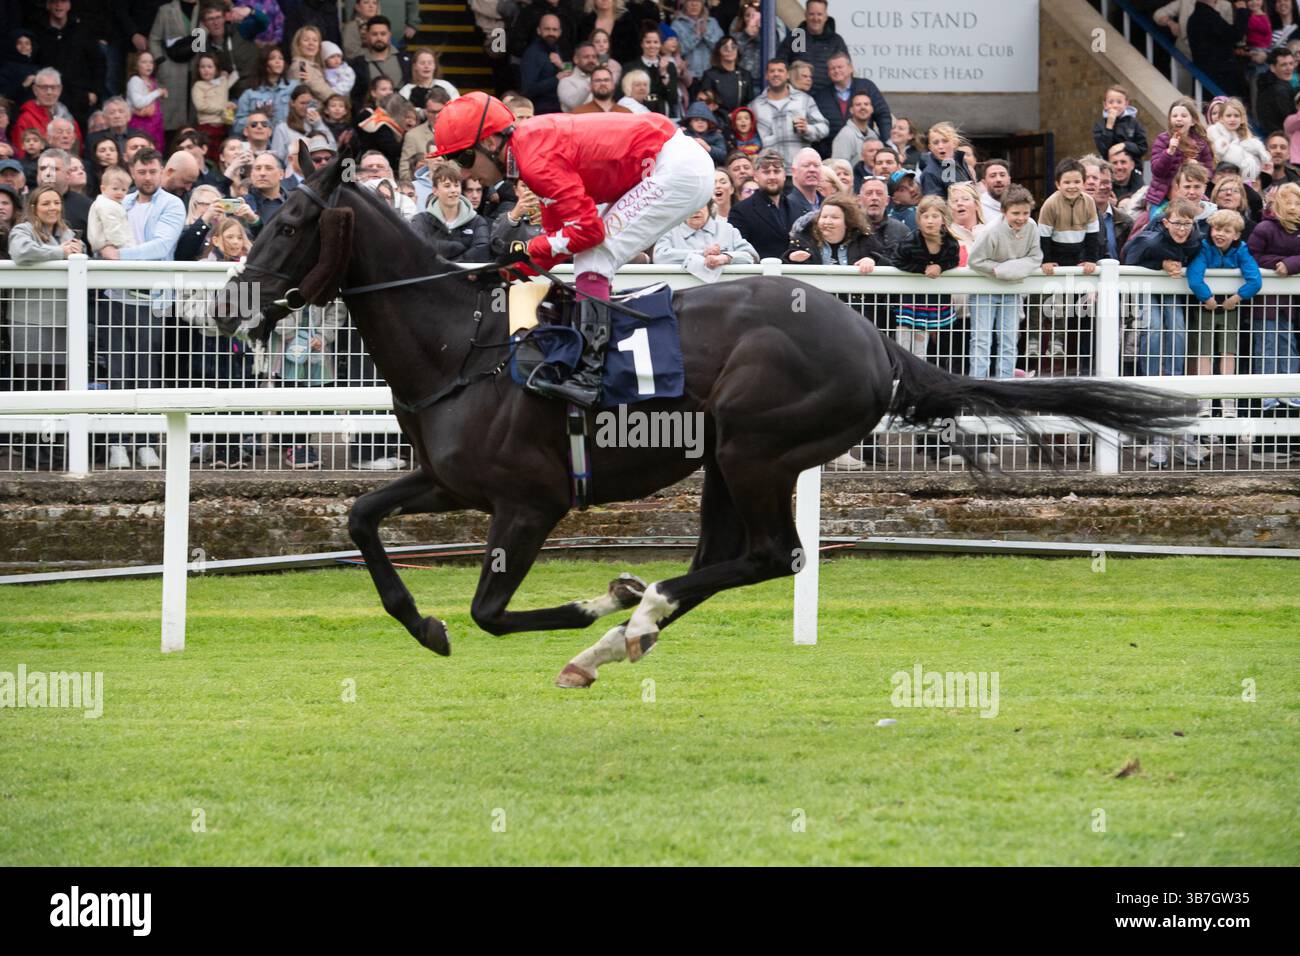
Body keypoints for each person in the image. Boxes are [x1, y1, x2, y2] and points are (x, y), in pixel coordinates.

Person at [431, 91, 713, 404]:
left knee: (595, 253)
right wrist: (507, 273)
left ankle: (591, 375)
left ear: (491, 142)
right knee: (590, 252)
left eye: (464, 159)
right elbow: (559, 238)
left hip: (675, 168)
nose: (465, 174)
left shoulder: (534, 159)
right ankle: (590, 366)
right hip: (668, 161)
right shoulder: (529, 148)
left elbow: (586, 232)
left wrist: (526, 251)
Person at [1123, 198, 1205, 466]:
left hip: (1172, 290)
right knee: (1155, 330)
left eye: (1187, 224)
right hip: (1148, 287)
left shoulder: (1195, 239)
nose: (1182, 229)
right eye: (1177, 223)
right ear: (1166, 222)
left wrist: (1181, 267)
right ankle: (1154, 378)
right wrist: (1159, 266)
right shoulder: (1150, 240)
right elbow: (1128, 260)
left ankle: (1174, 380)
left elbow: (1198, 258)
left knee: (1178, 331)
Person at [6, 183, 83, 468]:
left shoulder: (68, 234)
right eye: (46, 203)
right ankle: (30, 450)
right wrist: (60, 254)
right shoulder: (23, 230)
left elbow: (79, 253)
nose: (53, 208)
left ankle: (51, 447)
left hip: (62, 322)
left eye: (56, 203)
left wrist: (70, 250)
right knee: (32, 385)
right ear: (34, 207)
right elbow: (22, 253)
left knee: (56, 388)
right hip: (30, 321)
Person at [1186, 208, 1260, 421]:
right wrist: (1207, 297)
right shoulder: (1204, 248)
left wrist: (1237, 297)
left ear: (1236, 235)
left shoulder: (1241, 250)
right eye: (1216, 229)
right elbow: (1194, 277)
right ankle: (1204, 401)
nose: (1219, 234)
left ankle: (1228, 401)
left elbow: (1255, 280)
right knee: (1204, 353)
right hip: (1205, 307)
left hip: (1230, 308)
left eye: (1226, 230)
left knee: (1228, 353)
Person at [967, 184, 1042, 381]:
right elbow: (975, 261)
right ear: (1003, 211)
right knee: (981, 340)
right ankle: (977, 385)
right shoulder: (991, 231)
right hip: (985, 290)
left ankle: (1006, 384)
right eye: (1015, 213)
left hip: (1012, 290)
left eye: (1025, 213)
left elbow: (1035, 257)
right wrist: (1000, 271)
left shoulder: (1032, 226)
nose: (1021, 218)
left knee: (1009, 340)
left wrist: (1008, 271)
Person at [1245, 180, 1300, 417]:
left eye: (1297, 203)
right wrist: (1276, 264)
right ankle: (1267, 393)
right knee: (1266, 344)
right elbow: (1251, 256)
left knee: (1288, 343)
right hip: (1264, 302)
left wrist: (1288, 265)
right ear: (1278, 203)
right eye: (1288, 202)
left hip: (1288, 304)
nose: (1293, 207)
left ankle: (1290, 390)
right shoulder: (1265, 228)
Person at [747, 58, 828, 167]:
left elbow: (824, 127)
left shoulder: (804, 100)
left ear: (788, 75)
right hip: (770, 170)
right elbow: (748, 138)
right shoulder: (754, 106)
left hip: (799, 168)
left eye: (780, 71)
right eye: (772, 71)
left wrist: (807, 129)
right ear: (766, 76)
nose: (776, 74)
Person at [653, 198, 757, 280]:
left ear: (709, 207)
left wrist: (725, 258)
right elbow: (659, 257)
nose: (696, 211)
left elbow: (751, 256)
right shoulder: (670, 231)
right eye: (691, 207)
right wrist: (702, 253)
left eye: (701, 205)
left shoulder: (727, 229)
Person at [784, 193, 890, 270]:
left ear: (847, 223)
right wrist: (791, 258)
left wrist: (872, 261)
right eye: (824, 217)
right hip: (815, 298)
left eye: (834, 218)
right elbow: (784, 267)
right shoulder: (804, 240)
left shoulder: (865, 241)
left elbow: (888, 261)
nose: (827, 222)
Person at [410, 159, 490, 261]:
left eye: (456, 185)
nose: (453, 190)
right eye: (447, 186)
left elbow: (481, 252)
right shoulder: (421, 221)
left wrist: (450, 267)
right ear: (435, 190)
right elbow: (417, 251)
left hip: (465, 276)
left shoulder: (477, 221)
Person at [816, 52, 890, 159]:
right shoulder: (821, 95)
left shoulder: (867, 86)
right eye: (832, 68)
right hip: (830, 153)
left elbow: (883, 115)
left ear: (851, 68)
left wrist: (886, 142)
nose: (836, 71)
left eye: (840, 67)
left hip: (865, 147)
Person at [727, 148, 796, 259]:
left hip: (796, 274)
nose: (772, 177)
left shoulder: (797, 208)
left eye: (777, 171)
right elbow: (737, 251)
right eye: (766, 172)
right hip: (759, 274)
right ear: (755, 176)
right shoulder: (741, 211)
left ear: (784, 175)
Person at [775, 0, 847, 94]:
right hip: (798, 97)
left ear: (826, 16)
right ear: (805, 15)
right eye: (811, 14)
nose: (815, 18)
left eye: (819, 14)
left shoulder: (835, 41)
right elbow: (780, 66)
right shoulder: (797, 37)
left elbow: (845, 72)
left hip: (828, 98)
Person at [347, 17, 412, 115]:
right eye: (374, 34)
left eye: (383, 34)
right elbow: (356, 97)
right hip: (373, 118)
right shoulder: (358, 64)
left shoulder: (405, 59)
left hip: (402, 115)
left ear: (389, 35)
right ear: (367, 36)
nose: (379, 38)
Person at [1187, 0, 1249, 96]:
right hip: (1218, 77)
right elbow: (1235, 35)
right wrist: (1242, 11)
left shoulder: (1198, 16)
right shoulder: (1207, 16)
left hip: (1209, 75)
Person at [1208, 97, 1268, 184]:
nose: (1232, 119)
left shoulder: (1248, 139)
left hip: (1241, 182)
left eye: (1236, 116)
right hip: (1218, 179)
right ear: (1221, 118)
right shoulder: (1214, 132)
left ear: (1242, 119)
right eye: (1228, 116)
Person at [271, 85, 334, 164]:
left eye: (309, 103)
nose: (306, 107)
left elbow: (333, 148)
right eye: (302, 103)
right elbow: (277, 158)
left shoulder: (316, 124)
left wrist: (319, 124)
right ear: (292, 103)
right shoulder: (282, 128)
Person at [521, 13, 570, 115]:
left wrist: (561, 65)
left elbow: (571, 72)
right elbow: (527, 89)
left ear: (560, 32)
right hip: (542, 111)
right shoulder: (532, 54)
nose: (551, 33)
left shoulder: (558, 48)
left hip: (561, 109)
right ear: (539, 30)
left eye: (554, 29)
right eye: (547, 29)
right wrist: (555, 79)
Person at [87, 165, 136, 256]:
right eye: (115, 188)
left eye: (124, 190)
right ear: (103, 189)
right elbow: (113, 229)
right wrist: (126, 248)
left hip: (110, 246)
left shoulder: (110, 203)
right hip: (111, 248)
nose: (120, 192)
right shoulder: (107, 205)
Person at [698, 35, 754, 114]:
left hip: (739, 119)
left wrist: (737, 115)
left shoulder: (745, 75)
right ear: (719, 52)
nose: (730, 50)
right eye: (725, 48)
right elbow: (706, 102)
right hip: (718, 119)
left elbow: (750, 102)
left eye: (733, 47)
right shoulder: (710, 75)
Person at [918, 121, 976, 197]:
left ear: (954, 143)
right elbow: (935, 205)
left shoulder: (961, 161)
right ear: (930, 147)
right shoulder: (929, 174)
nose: (940, 146)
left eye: (945, 141)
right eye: (935, 143)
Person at [1092, 85, 1149, 159]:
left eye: (1119, 102)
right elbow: (1103, 150)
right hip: (1109, 165)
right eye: (1111, 102)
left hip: (1132, 166)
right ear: (1105, 105)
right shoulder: (1099, 125)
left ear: (1126, 104)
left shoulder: (1134, 123)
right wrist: (1109, 126)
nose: (1115, 105)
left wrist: (1125, 145)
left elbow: (1143, 148)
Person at [1256, 46, 1296, 137]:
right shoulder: (1279, 90)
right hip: (1282, 138)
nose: (1289, 68)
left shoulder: (1267, 82)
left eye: (1291, 63)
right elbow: (1291, 121)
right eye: (1283, 65)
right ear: (1273, 68)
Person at [829, 92, 878, 165]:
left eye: (866, 104)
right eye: (858, 104)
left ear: (872, 109)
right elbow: (838, 168)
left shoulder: (873, 135)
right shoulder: (844, 136)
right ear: (851, 110)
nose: (863, 107)